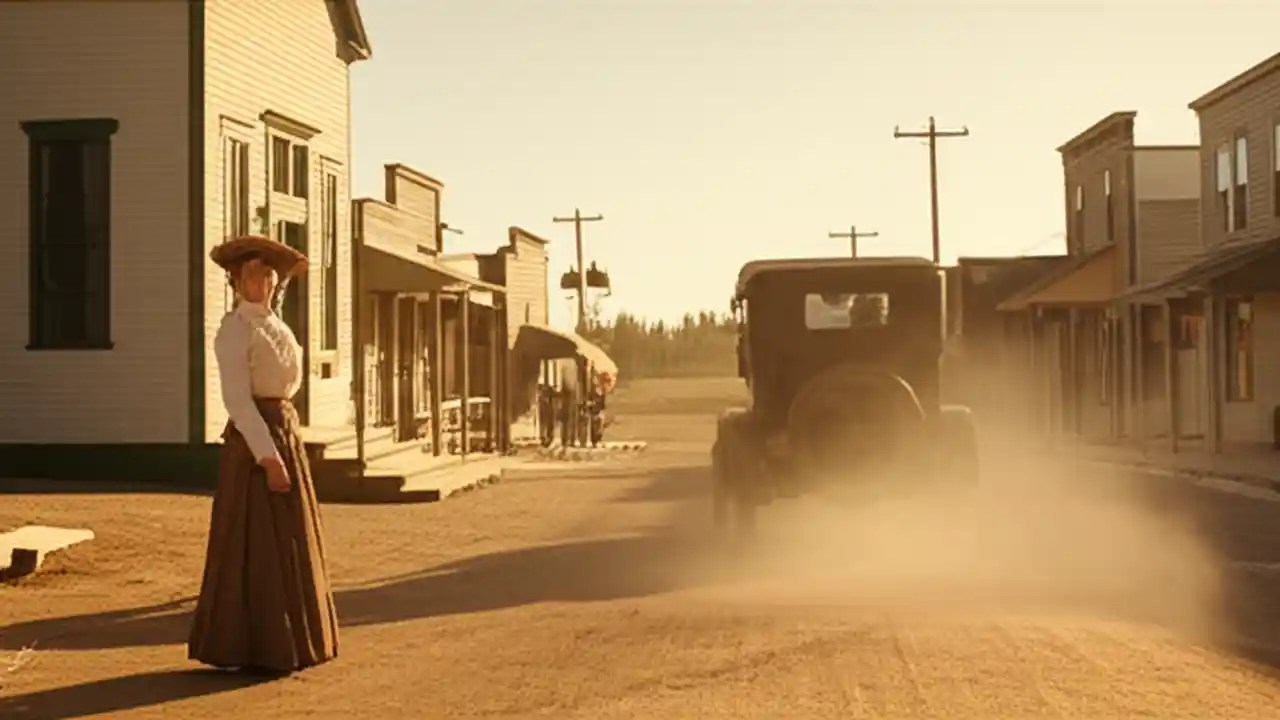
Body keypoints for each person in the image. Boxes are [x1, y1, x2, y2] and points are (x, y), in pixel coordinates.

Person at [188, 235, 338, 675]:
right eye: (251, 274)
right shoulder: (234, 330)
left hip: (284, 428)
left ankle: (296, 643)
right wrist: (268, 458)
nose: (261, 281)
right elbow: (238, 401)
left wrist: (286, 440)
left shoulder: (277, 326)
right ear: (236, 280)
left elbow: (286, 384)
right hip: (255, 443)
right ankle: (251, 646)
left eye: (268, 273)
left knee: (289, 539)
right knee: (254, 543)